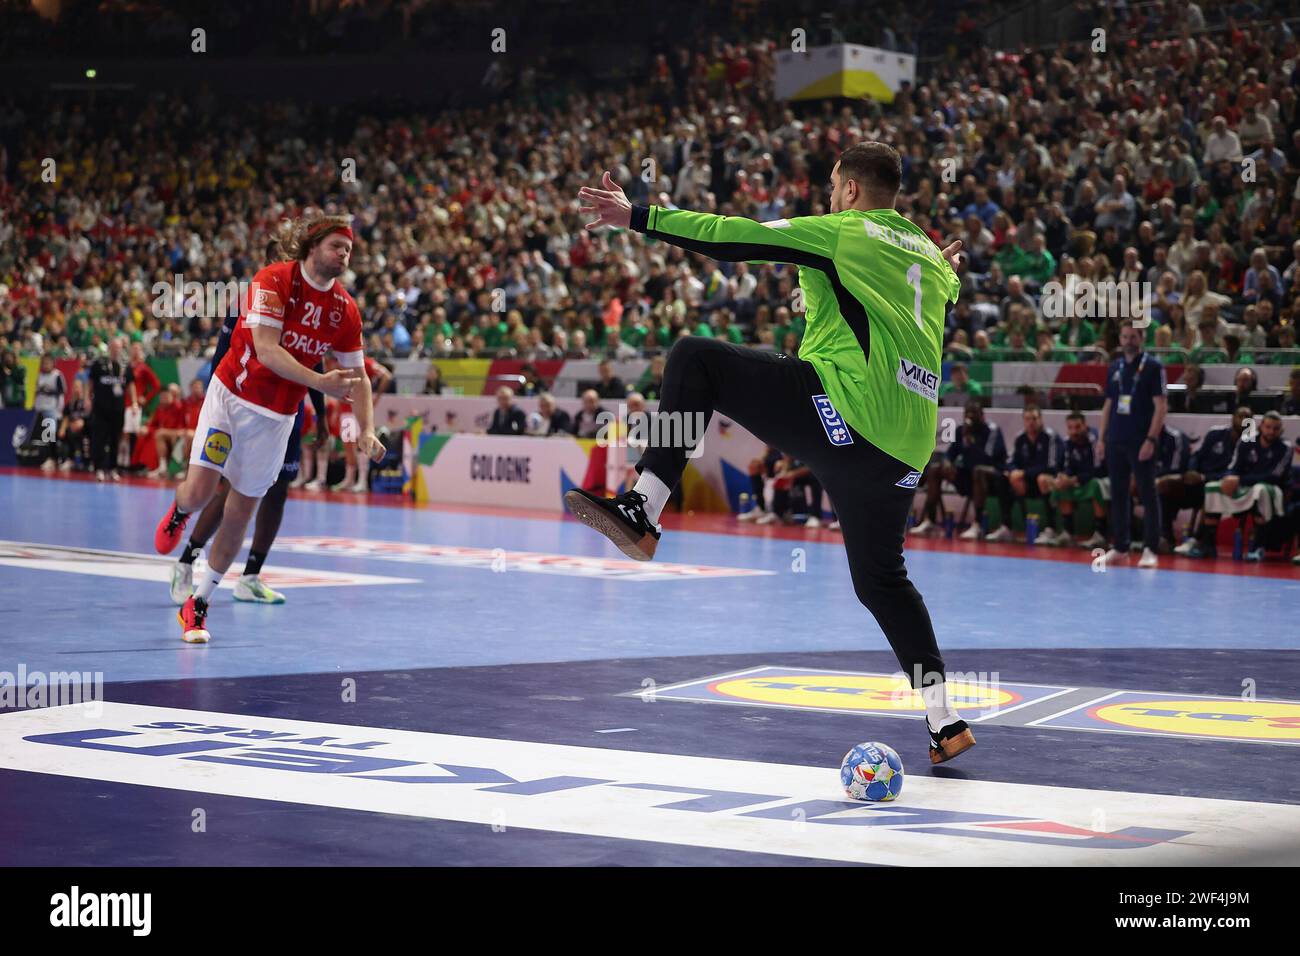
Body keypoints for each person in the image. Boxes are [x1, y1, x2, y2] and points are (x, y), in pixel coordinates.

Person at [565, 144, 976, 765]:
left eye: (835, 186)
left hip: (849, 411)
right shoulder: (929, 258)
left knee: (693, 358)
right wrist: (942, 276)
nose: (831, 197)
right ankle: (945, 719)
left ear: (853, 192)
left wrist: (638, 217)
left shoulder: (845, 232)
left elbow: (734, 237)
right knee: (881, 580)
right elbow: (929, 296)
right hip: (905, 447)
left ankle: (644, 509)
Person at [154, 214, 381, 643]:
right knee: (203, 492)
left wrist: (366, 428)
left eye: (349, 249)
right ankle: (181, 512)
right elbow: (267, 350)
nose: (344, 254)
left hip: (277, 420)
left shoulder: (345, 310)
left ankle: (198, 603)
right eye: (337, 245)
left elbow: (360, 377)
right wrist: (320, 382)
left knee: (241, 513)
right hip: (230, 399)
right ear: (313, 247)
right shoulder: (273, 280)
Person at [1097, 319, 1167, 567]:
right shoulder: (1115, 367)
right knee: (1118, 494)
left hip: (1140, 439)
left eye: (1133, 337)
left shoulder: (1153, 367)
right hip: (1116, 437)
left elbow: (1161, 406)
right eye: (1125, 337)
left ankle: (1150, 548)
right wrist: (1102, 437)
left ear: (1141, 338)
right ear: (1119, 339)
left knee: (1147, 493)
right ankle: (1121, 547)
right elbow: (1108, 404)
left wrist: (1151, 438)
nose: (1128, 342)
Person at [911, 399, 1005, 536]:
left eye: (974, 413)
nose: (970, 417)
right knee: (935, 469)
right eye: (967, 413)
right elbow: (950, 453)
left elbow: (987, 458)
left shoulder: (992, 431)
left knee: (978, 470)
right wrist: (948, 463)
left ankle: (977, 524)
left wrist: (970, 441)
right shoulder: (961, 430)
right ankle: (930, 521)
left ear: (982, 415)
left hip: (991, 477)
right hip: (967, 475)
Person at [1050, 411, 1109, 548]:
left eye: (1077, 427)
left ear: (1085, 426)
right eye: (1070, 428)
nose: (1074, 432)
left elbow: (1098, 470)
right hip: (1079, 480)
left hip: (1103, 478)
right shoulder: (1067, 443)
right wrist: (1063, 477)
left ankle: (1101, 534)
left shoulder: (1095, 440)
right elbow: (1064, 466)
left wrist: (1074, 479)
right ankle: (1068, 532)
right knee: (1061, 485)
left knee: (1096, 485)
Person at [87, 337, 132, 482]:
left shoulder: (125, 365)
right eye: (113, 347)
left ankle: (113, 468)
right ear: (109, 348)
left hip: (118, 409)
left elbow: (131, 384)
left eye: (118, 347)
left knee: (115, 439)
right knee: (99, 438)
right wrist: (87, 398)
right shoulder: (99, 364)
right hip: (100, 408)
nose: (116, 350)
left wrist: (135, 402)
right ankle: (99, 469)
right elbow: (90, 382)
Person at [33, 354, 66, 472]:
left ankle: (56, 459)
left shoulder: (57, 375)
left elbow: (61, 395)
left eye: (48, 363)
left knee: (51, 436)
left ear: (53, 363)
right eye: (44, 363)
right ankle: (49, 459)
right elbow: (37, 393)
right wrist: (35, 407)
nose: (46, 365)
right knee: (44, 438)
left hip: (52, 410)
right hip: (41, 410)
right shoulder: (40, 376)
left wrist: (59, 411)